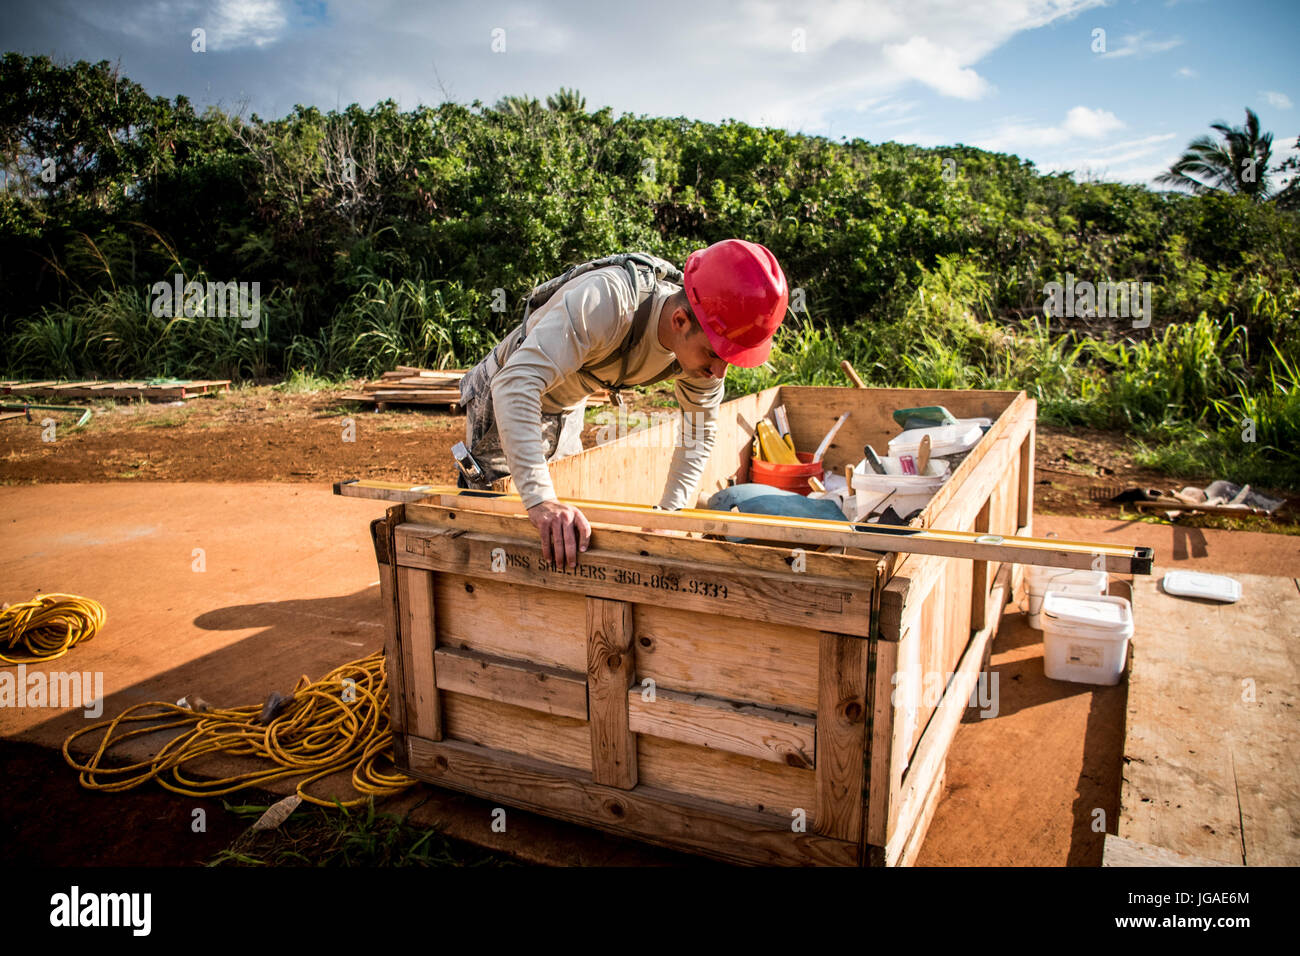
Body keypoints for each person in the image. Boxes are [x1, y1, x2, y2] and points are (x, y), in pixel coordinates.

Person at [457, 238, 788, 568]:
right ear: (679, 321)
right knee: (499, 535)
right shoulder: (608, 301)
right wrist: (540, 500)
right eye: (715, 355)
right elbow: (515, 384)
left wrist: (667, 516)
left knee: (565, 534)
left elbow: (698, 434)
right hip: (503, 394)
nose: (719, 373)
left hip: (566, 405)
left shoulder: (701, 352)